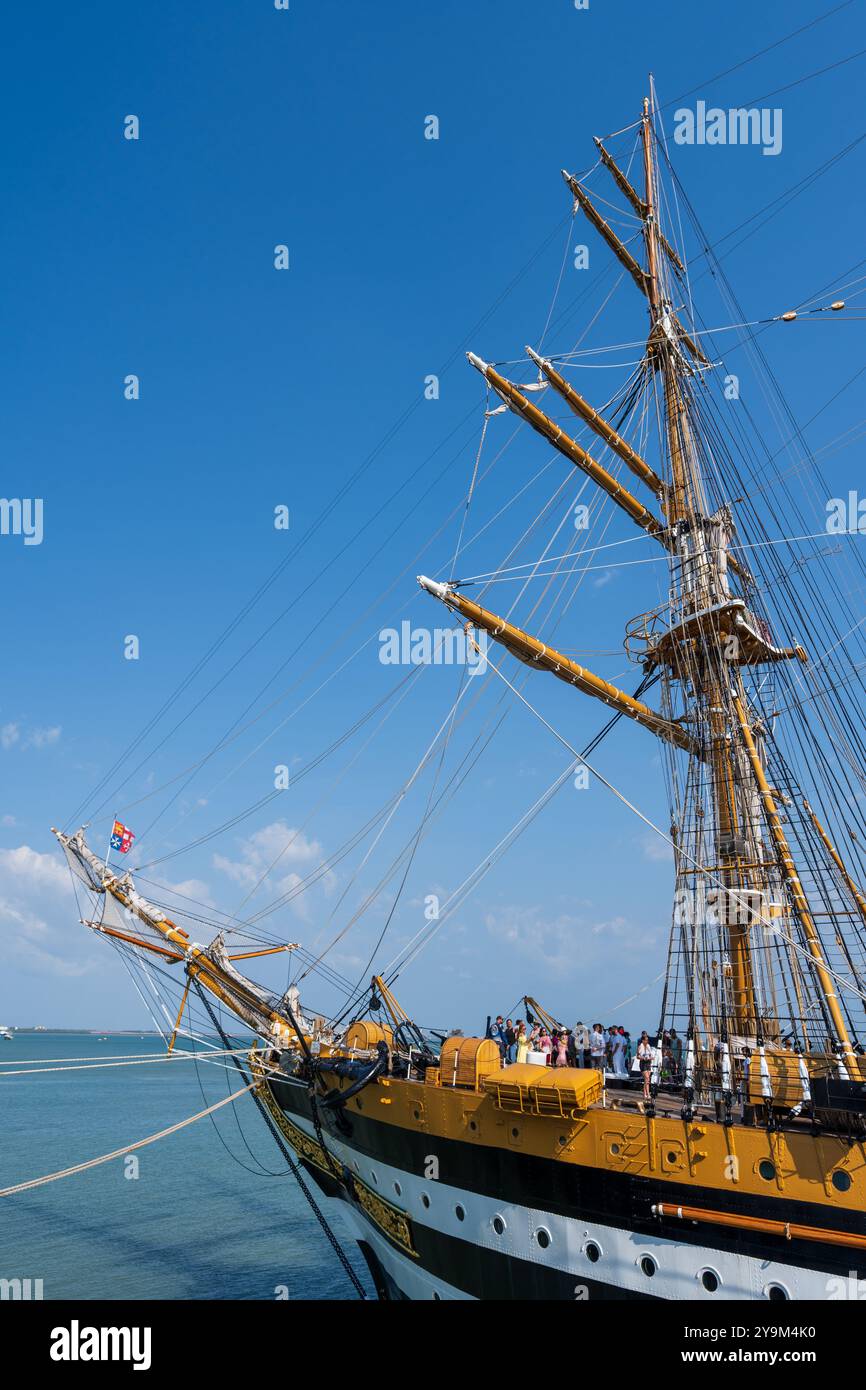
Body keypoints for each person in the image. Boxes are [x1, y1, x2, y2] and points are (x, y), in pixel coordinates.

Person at [637, 1030, 653, 1103]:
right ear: (643, 1040)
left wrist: (650, 1057)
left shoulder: (649, 1046)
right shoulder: (640, 1046)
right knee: (646, 1078)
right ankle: (648, 1094)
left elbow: (651, 1055)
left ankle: (645, 1094)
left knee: (647, 1080)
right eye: (646, 1040)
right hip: (643, 1063)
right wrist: (643, 1058)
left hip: (648, 1063)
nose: (647, 1041)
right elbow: (637, 1056)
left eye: (647, 1040)